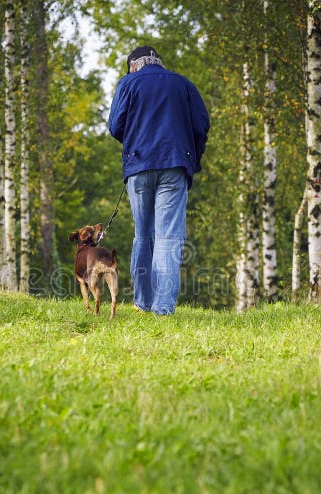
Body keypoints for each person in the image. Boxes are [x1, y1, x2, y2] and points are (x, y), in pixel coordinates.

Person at [108, 45, 210, 316]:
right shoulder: (183, 84)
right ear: (157, 62)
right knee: (168, 237)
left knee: (143, 235)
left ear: (134, 65)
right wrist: (192, 158)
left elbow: (115, 126)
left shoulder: (128, 83)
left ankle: (143, 303)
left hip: (139, 167)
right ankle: (163, 309)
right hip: (175, 164)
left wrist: (135, 144)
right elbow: (202, 125)